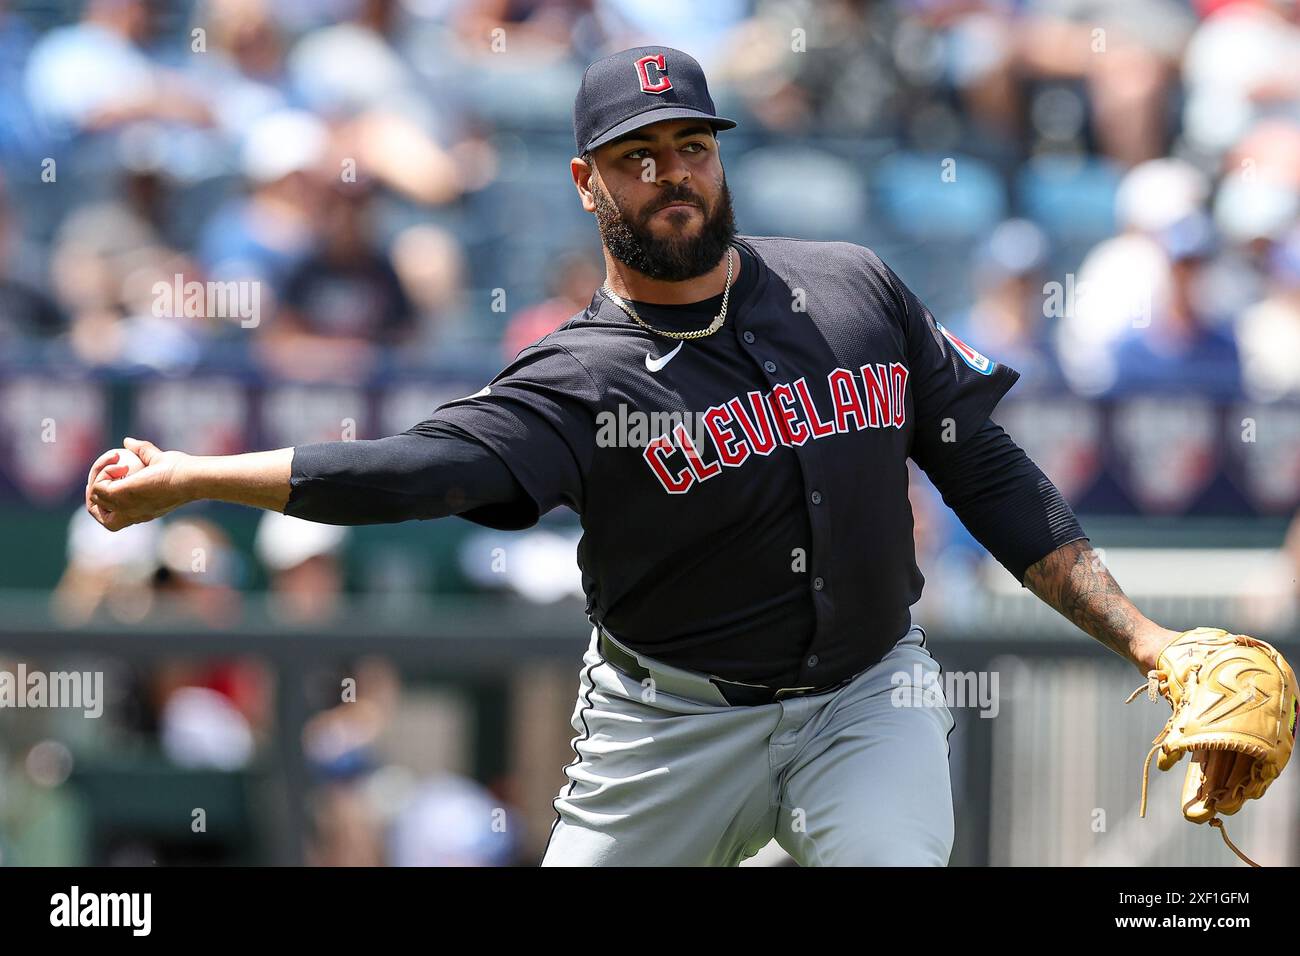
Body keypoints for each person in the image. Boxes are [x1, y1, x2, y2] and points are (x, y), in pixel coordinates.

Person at [86, 46, 1193, 867]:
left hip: (867, 697)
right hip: (665, 727)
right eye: (639, 156)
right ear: (585, 183)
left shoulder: (856, 289)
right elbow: (415, 470)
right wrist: (197, 477)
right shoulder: (578, 379)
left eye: (693, 147)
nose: (673, 174)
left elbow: (982, 465)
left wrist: (1146, 639)